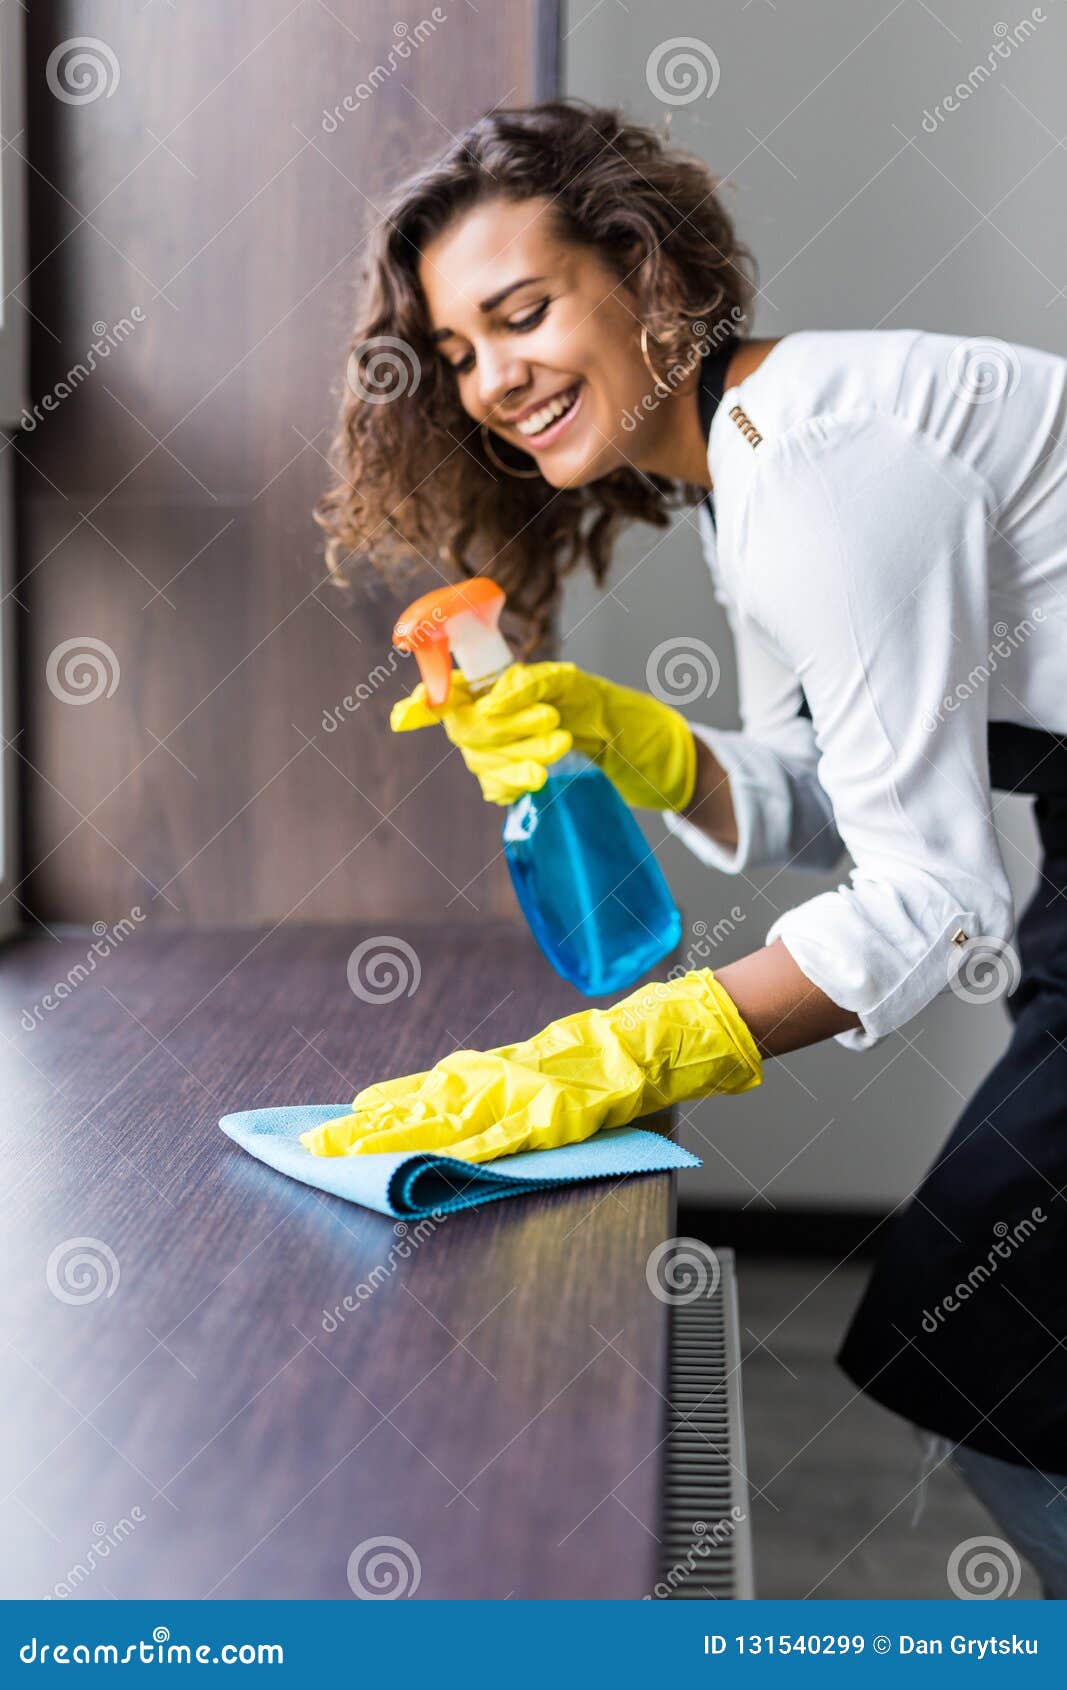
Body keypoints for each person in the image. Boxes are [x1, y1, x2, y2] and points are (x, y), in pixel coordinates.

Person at [313, 100, 1067, 1596]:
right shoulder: (746, 465)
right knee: (995, 1324)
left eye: (520, 314)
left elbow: (931, 898)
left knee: (990, 1311)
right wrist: (620, 736)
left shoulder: (825, 463)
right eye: (459, 352)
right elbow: (824, 798)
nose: (491, 382)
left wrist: (629, 1052)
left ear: (645, 269)